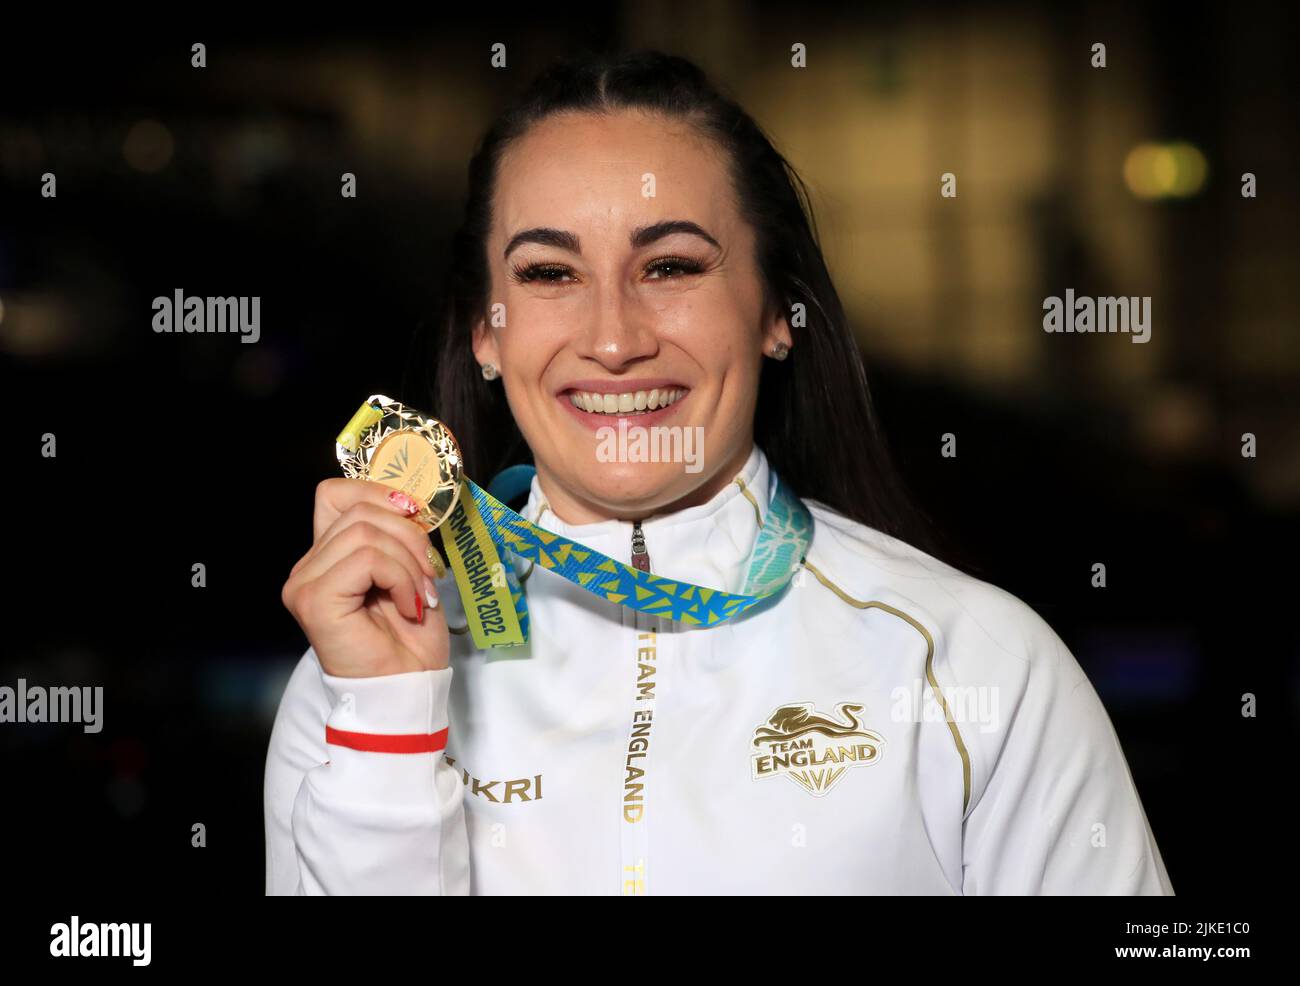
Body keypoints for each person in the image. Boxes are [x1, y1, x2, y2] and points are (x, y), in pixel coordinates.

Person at [264, 49, 1173, 895]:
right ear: (485, 331)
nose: (614, 339)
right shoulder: (355, 681)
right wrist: (387, 724)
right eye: (549, 274)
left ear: (779, 310)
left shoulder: (973, 663)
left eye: (670, 265)